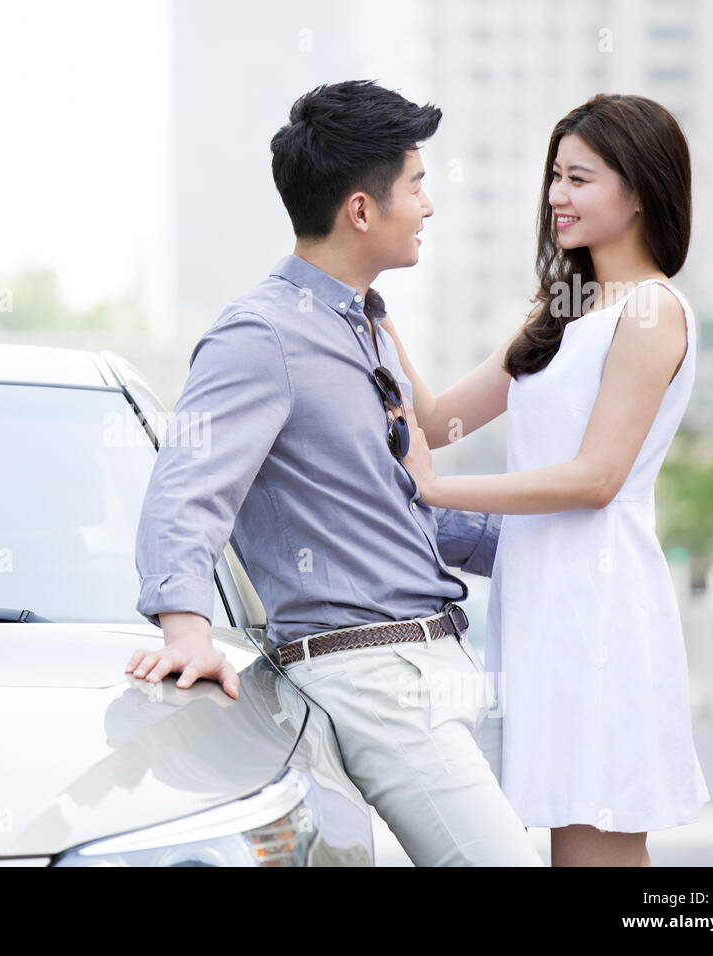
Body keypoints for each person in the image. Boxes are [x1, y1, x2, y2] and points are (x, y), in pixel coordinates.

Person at [126, 79, 542, 866]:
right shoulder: (261, 334)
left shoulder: (369, 326)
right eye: (417, 186)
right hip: (371, 675)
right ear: (361, 208)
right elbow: (187, 482)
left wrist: (548, 541)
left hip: (435, 664)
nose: (429, 206)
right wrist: (186, 627)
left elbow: (391, 506)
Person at [391, 92, 711, 866]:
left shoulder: (651, 310)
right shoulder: (562, 312)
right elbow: (439, 425)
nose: (556, 196)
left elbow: (596, 478)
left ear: (638, 190)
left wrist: (438, 491)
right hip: (537, 603)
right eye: (555, 178)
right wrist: (369, 309)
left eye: (579, 179)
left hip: (600, 610)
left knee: (592, 846)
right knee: (561, 837)